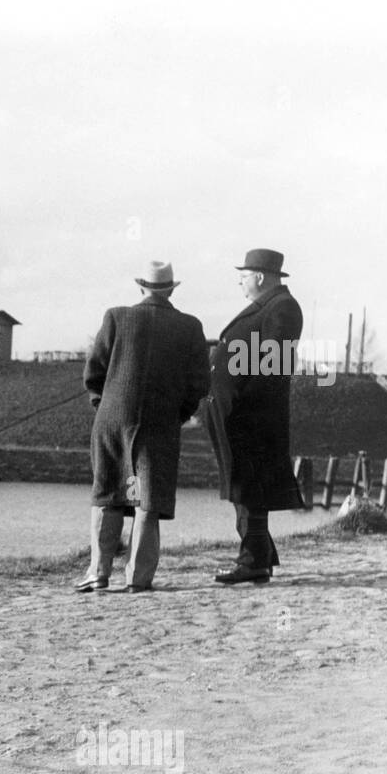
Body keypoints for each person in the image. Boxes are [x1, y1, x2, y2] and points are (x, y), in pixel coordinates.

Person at [75, 261, 210, 594]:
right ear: (171, 289)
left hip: (112, 420)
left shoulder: (116, 317)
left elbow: (94, 371)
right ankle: (138, 577)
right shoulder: (190, 327)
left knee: (108, 490)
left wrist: (103, 405)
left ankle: (98, 572)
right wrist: (178, 414)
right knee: (146, 499)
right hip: (159, 423)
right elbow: (199, 383)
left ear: (141, 288)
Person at [202, 248, 305, 584]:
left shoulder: (283, 308)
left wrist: (242, 404)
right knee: (245, 488)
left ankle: (253, 561)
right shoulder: (273, 306)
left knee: (248, 489)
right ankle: (259, 557)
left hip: (252, 417)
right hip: (240, 413)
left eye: (243, 276)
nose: (240, 282)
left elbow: (274, 366)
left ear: (260, 277)